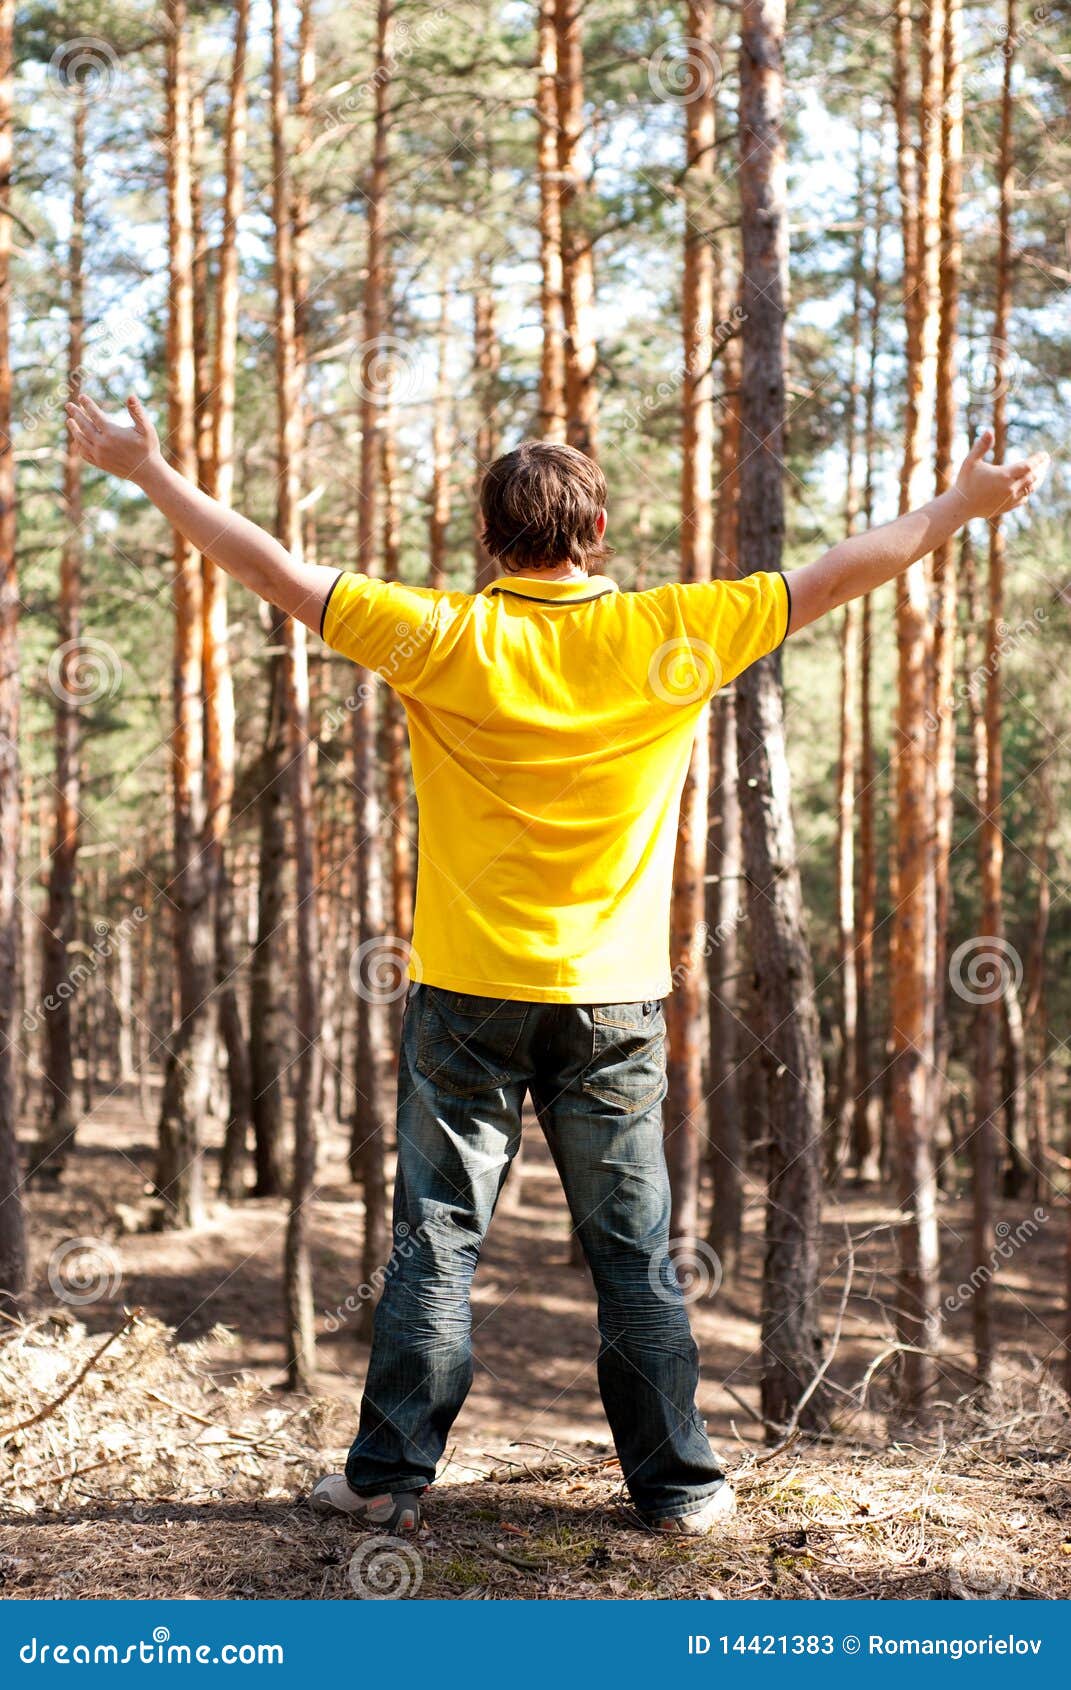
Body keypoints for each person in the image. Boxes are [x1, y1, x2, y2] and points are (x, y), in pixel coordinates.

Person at [67, 392, 1047, 1535]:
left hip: (466, 994)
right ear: (599, 535)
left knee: (437, 1240)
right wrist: (960, 504)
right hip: (613, 1001)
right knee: (633, 1253)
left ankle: (389, 1481)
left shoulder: (437, 633)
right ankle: (679, 1490)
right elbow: (840, 571)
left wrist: (146, 471)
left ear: (490, 539)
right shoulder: (671, 631)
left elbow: (273, 566)